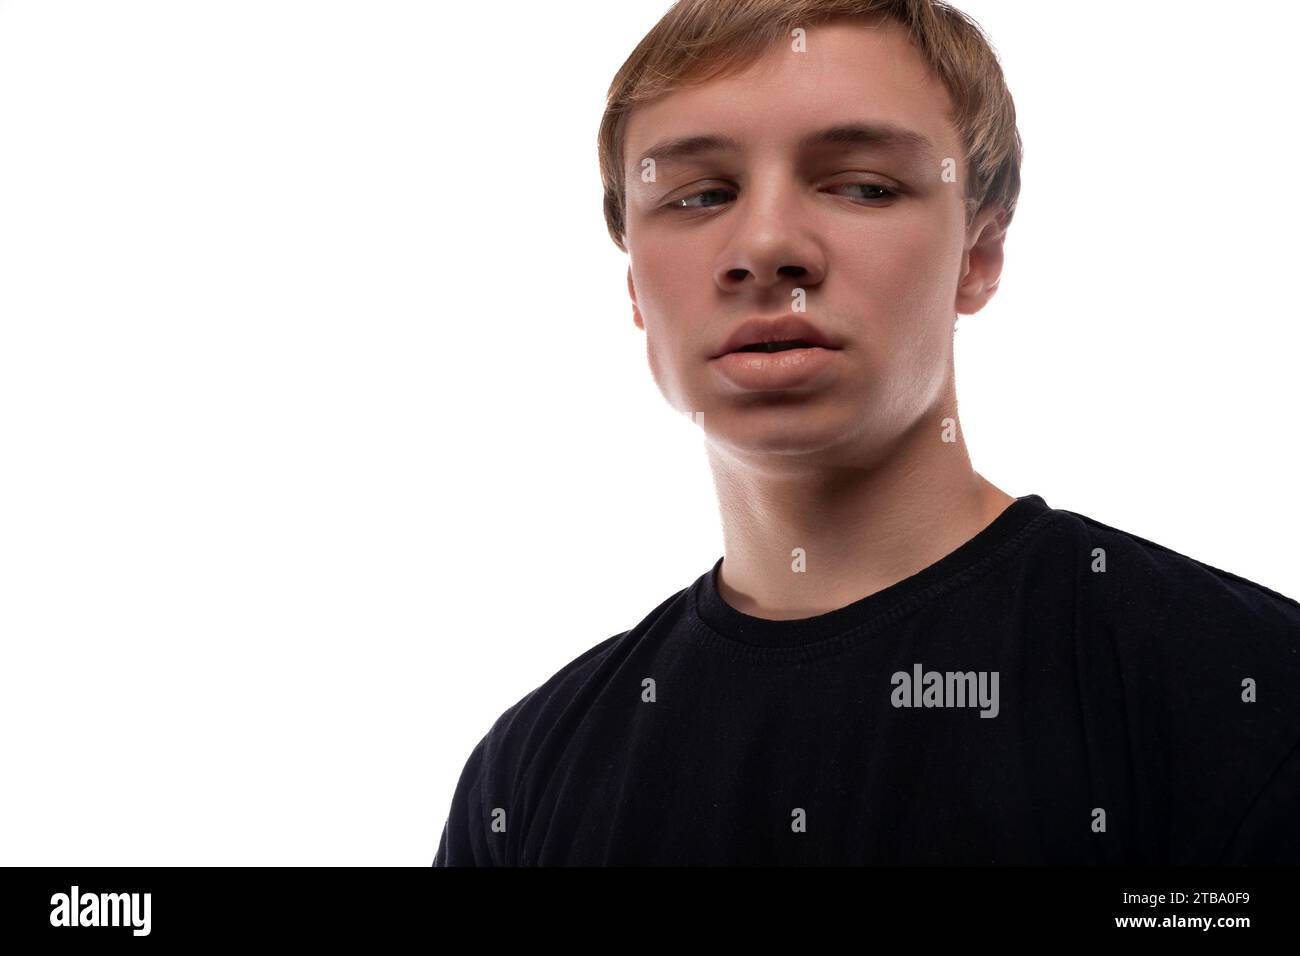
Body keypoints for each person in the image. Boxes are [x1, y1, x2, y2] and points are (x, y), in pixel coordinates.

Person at [433, 0, 1300, 865]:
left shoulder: (1244, 691)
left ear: (979, 253)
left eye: (862, 185)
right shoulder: (525, 777)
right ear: (634, 287)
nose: (767, 245)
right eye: (700, 195)